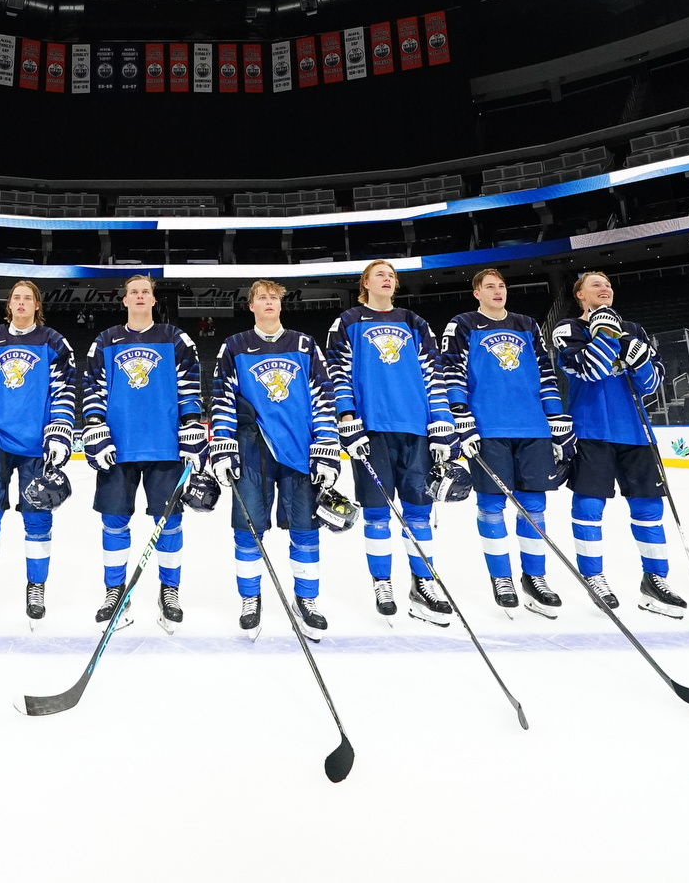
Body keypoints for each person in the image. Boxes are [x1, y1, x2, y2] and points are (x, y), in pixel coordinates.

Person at [325, 260, 459, 625]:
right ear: (365, 282)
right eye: (380, 274)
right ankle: (383, 583)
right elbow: (336, 372)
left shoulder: (414, 322)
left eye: (392, 275)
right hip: (371, 431)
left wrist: (442, 421)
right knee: (378, 513)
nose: (388, 278)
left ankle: (423, 585)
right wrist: (347, 417)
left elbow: (434, 374)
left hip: (415, 429)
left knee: (418, 512)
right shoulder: (349, 321)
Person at [551, 271, 687, 617]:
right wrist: (609, 333)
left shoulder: (635, 330)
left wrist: (637, 356)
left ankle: (656, 580)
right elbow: (591, 369)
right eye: (596, 284)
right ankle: (594, 577)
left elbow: (651, 383)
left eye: (609, 284)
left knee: (648, 511)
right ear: (579, 294)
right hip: (591, 430)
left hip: (635, 433)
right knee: (589, 509)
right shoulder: (568, 330)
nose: (606, 288)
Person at [440, 268, 574, 617]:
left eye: (501, 285)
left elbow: (545, 373)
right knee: (491, 505)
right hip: (488, 428)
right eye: (490, 287)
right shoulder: (464, 324)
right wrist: (460, 416)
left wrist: (556, 417)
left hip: (533, 428)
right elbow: (451, 371)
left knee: (534, 506)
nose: (498, 291)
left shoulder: (527, 325)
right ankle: (502, 579)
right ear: (477, 293)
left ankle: (535, 578)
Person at [209, 279, 339, 637]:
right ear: (251, 306)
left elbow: (324, 398)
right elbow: (221, 398)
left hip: (300, 451)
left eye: (274, 298)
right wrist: (222, 444)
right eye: (262, 298)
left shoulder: (304, 344)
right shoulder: (234, 346)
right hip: (253, 451)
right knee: (248, 531)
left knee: (306, 530)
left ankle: (306, 599)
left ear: (281, 305)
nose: (269, 303)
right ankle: (250, 599)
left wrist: (326, 447)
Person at [81, 274, 206, 632]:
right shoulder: (105, 340)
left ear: (154, 300)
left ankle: (169, 591)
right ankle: (115, 591)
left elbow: (190, 386)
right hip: (118, 447)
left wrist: (192, 424)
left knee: (169, 523)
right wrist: (94, 425)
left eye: (145, 292)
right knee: (114, 523)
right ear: (124, 300)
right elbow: (93, 387)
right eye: (132, 291)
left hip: (165, 446)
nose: (139, 296)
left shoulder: (175, 339)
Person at [0, 279, 75, 627]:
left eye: (27, 298)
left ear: (37, 306)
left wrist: (61, 430)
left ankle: (36, 587)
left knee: (37, 520)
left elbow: (62, 391)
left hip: (37, 443)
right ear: (9, 306)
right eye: (16, 298)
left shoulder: (52, 341)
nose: (21, 303)